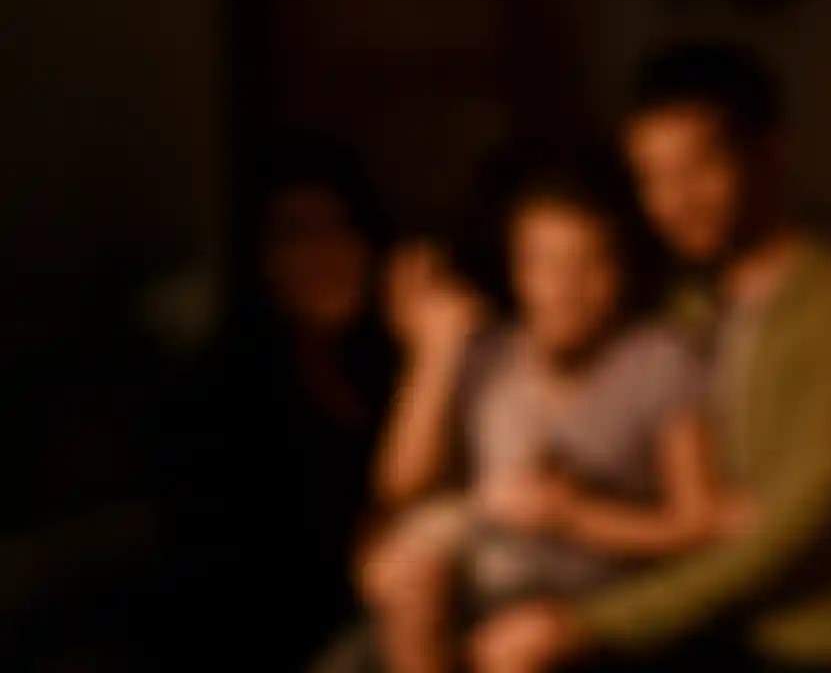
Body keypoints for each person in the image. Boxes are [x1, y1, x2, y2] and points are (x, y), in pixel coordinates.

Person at [468, 44, 831, 673]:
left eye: (698, 168)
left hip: (817, 640)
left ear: (768, 151)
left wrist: (594, 623)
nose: (675, 200)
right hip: (714, 626)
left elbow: (795, 526)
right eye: (652, 177)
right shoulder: (687, 305)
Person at [358, 152, 727, 673]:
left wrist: (573, 516)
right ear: (517, 269)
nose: (566, 287)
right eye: (545, 262)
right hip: (482, 581)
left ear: (619, 266)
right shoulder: (490, 357)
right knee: (403, 573)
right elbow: (401, 486)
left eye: (588, 263)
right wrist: (434, 352)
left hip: (587, 598)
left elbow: (699, 521)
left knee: (515, 653)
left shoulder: (657, 362)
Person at [144, 134, 395, 671]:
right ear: (263, 258)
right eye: (296, 234)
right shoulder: (222, 394)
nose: (322, 254)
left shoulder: (389, 366)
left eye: (338, 227)